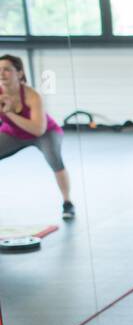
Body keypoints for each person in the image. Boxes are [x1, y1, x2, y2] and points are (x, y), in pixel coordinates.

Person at [0, 54, 74, 220]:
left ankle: (67, 202)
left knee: (54, 159)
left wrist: (9, 113)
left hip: (45, 133)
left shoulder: (32, 96)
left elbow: (38, 129)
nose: (2, 73)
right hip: (12, 133)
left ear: (19, 73)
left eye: (7, 69)